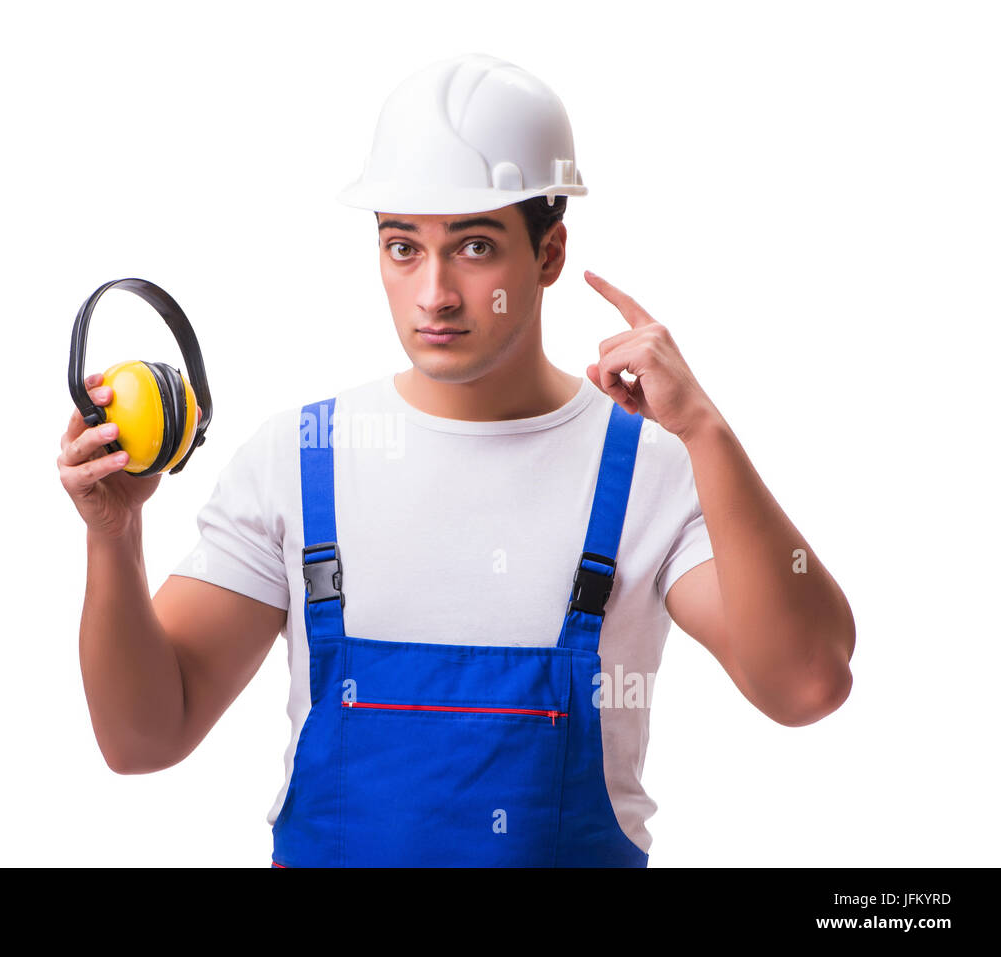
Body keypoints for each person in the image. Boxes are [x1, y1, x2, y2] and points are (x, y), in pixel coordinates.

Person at [56, 53, 855, 867]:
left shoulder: (652, 470)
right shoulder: (300, 461)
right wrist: (113, 536)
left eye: (473, 247)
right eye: (404, 248)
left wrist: (709, 434)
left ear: (548, 254)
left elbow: (808, 683)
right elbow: (142, 737)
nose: (433, 292)